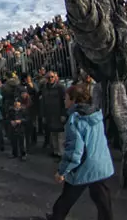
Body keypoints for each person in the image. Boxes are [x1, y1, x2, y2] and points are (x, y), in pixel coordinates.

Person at [47, 84, 114, 220]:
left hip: (83, 165)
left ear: (74, 100)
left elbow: (75, 151)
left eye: (66, 98)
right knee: (102, 199)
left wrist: (62, 171)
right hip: (100, 162)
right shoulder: (96, 113)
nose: (64, 101)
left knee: (66, 199)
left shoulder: (75, 120)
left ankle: (56, 218)